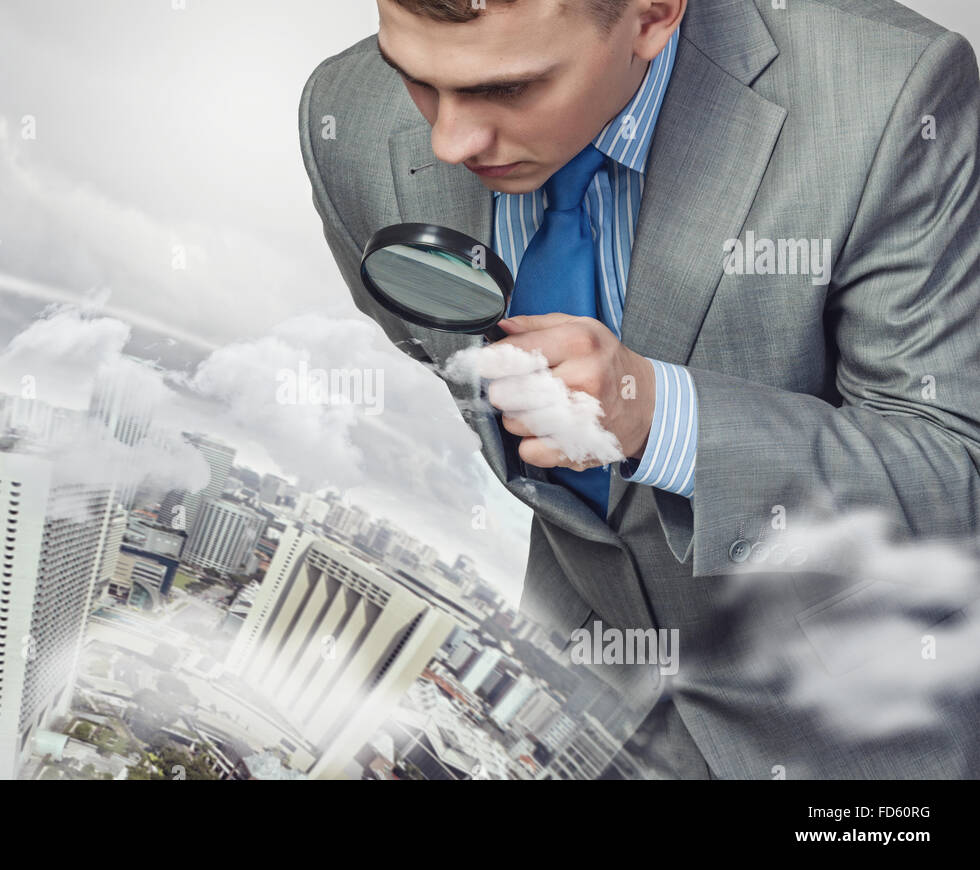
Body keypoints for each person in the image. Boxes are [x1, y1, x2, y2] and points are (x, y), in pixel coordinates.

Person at [299, 0, 980, 778]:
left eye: (512, 89)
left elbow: (957, 470)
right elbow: (434, 347)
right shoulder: (343, 122)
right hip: (572, 715)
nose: (450, 142)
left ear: (653, 14)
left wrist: (661, 417)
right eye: (414, 79)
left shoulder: (890, 95)